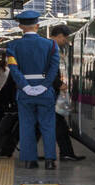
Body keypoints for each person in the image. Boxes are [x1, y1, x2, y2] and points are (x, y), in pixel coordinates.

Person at [6, 11, 60, 171]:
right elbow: (54, 68)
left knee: (27, 125)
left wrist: (26, 86)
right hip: (46, 91)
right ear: (37, 25)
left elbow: (13, 69)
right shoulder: (51, 45)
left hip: (24, 93)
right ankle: (50, 160)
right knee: (48, 125)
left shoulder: (12, 46)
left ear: (21, 26)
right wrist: (44, 85)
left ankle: (30, 160)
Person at [48, 25, 84, 161]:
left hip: (50, 93)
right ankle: (65, 153)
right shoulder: (50, 48)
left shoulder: (51, 47)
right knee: (58, 124)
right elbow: (48, 70)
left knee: (57, 124)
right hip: (50, 93)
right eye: (65, 38)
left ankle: (66, 152)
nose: (66, 41)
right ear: (59, 36)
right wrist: (59, 84)